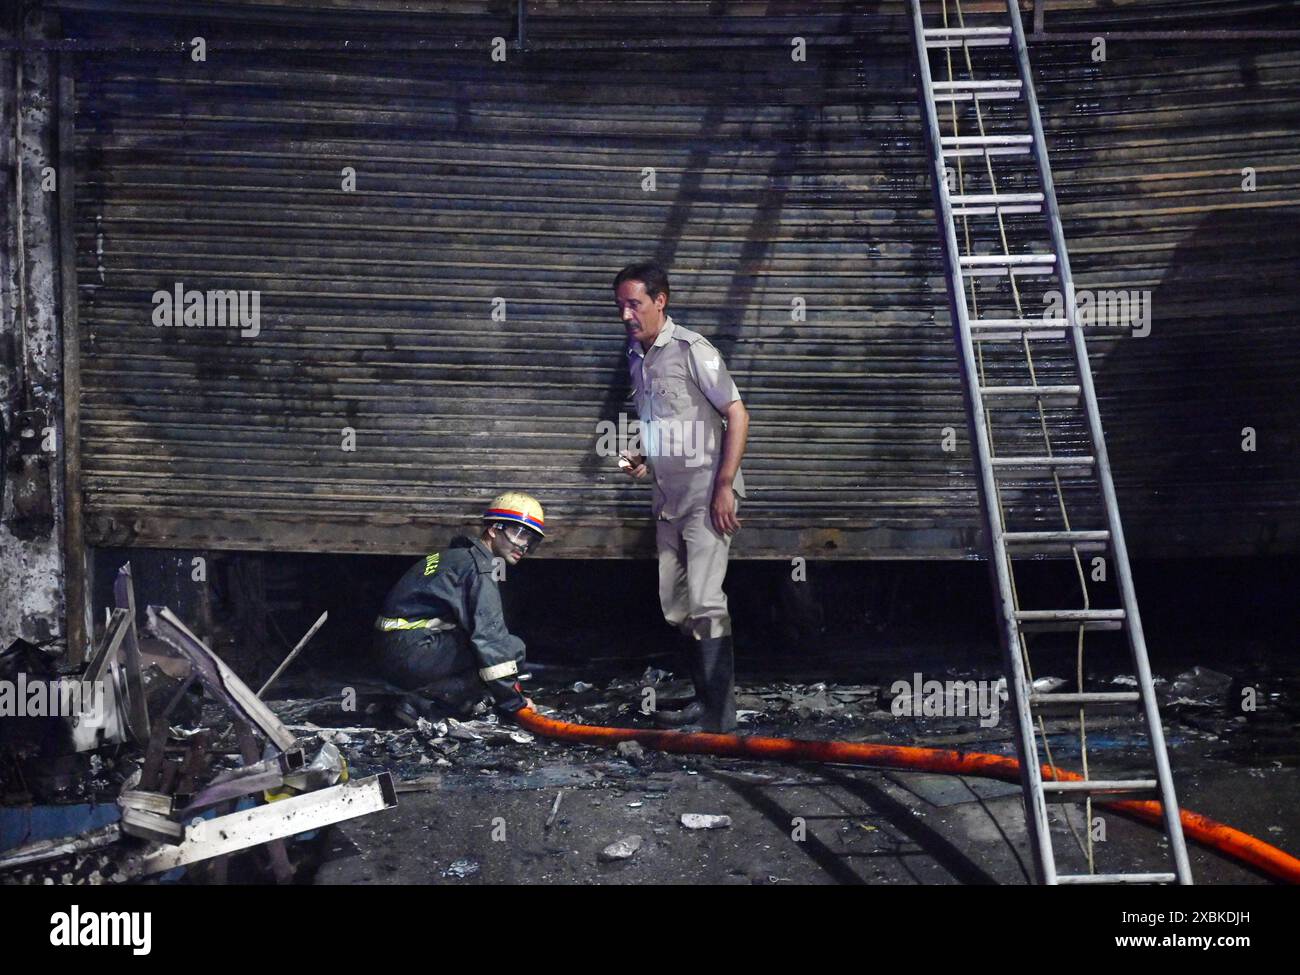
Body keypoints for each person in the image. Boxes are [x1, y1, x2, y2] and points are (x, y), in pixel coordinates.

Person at [614, 262, 749, 732]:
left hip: (706, 493)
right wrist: (644, 459)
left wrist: (725, 486)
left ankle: (721, 719)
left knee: (707, 602)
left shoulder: (693, 349)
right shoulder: (637, 355)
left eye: (635, 304)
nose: (626, 314)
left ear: (660, 301)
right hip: (667, 495)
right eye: (621, 306)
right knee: (676, 605)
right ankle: (704, 698)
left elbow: (736, 413)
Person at [373, 491, 545, 719]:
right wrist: (514, 701)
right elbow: (491, 641)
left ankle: (442, 699)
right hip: (410, 652)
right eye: (518, 532)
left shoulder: (456, 556)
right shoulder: (479, 569)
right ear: (494, 529)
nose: (523, 544)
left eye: (530, 539)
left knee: (483, 647)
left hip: (392, 649)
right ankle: (420, 705)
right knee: (511, 648)